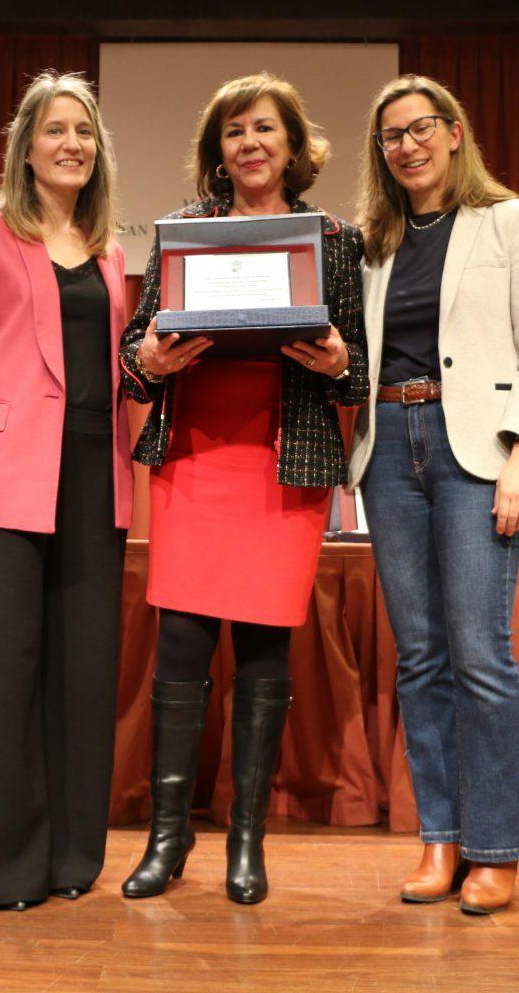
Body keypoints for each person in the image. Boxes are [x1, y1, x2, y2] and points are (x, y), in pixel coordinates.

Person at [118, 72, 368, 906]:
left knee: (263, 647)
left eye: (264, 128)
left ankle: (247, 840)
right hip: (194, 458)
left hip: (283, 463)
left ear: (293, 145)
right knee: (182, 643)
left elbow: (358, 368)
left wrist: (340, 362)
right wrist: (148, 358)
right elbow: (134, 349)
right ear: (217, 152)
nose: (250, 143)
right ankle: (169, 838)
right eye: (234, 132)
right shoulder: (184, 231)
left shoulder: (333, 239)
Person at [349, 74, 519, 915]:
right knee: (421, 657)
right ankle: (439, 837)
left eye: (420, 128)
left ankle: (496, 846)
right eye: (391, 135)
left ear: (454, 133)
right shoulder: (373, 244)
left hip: (475, 449)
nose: (406, 145)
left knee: (479, 653)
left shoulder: (513, 221)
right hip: (388, 451)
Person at [0, 72, 132, 911]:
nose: (71, 143)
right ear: (26, 147)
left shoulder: (110, 251)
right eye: (55, 129)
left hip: (94, 477)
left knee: (83, 674)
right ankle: (3, 865)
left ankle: (72, 857)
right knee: (4, 673)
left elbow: (110, 370)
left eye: (84, 131)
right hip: (5, 477)